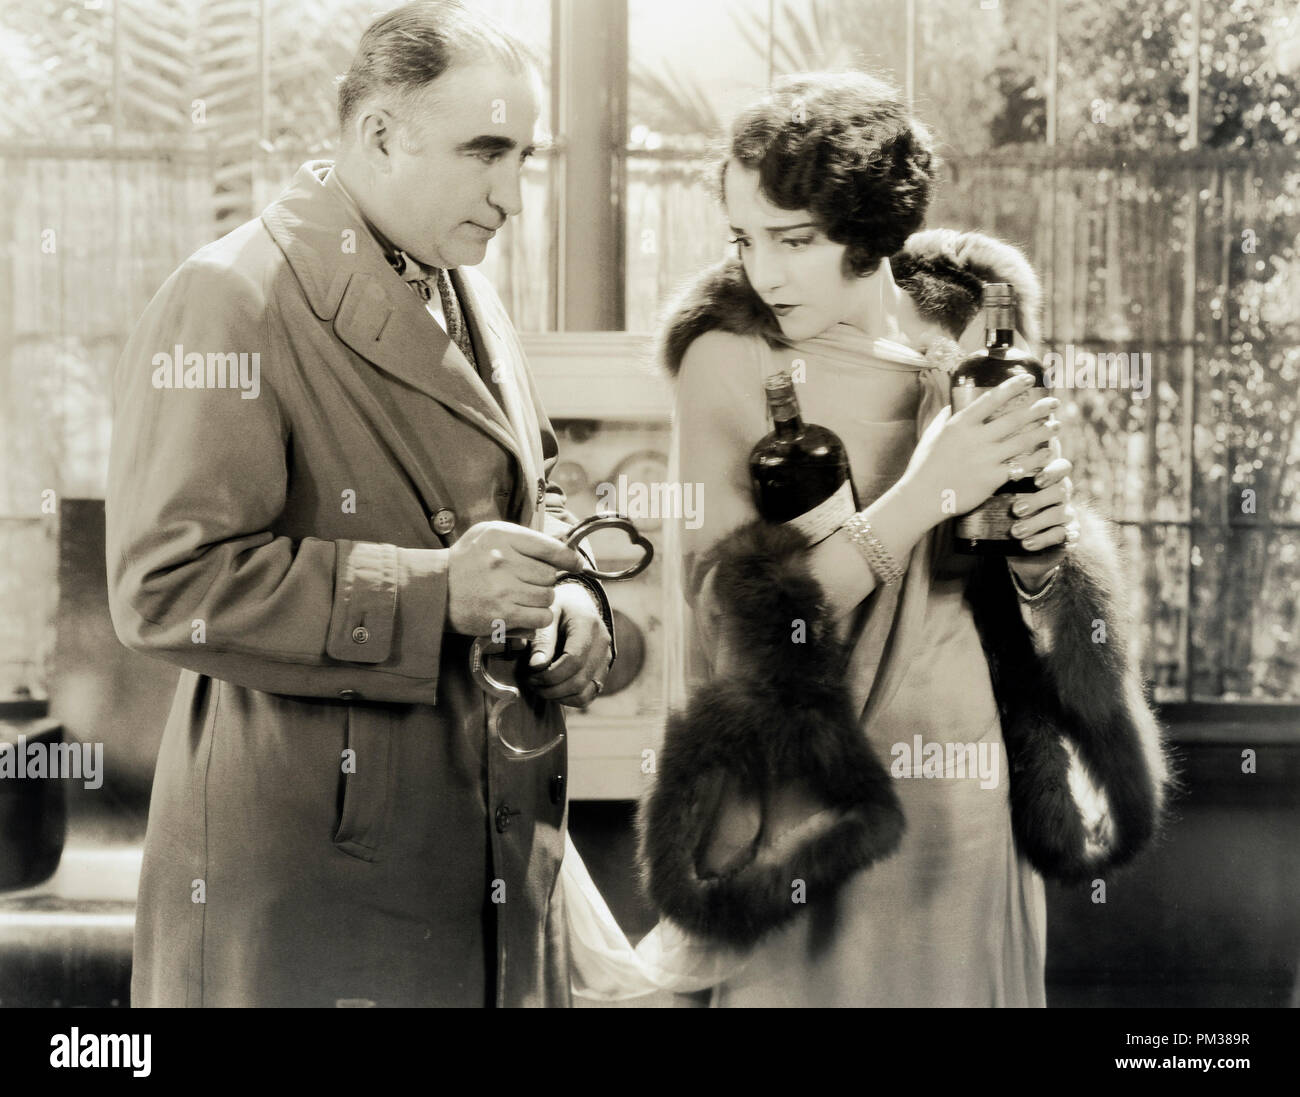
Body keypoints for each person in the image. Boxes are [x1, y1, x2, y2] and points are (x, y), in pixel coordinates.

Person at [105, 0, 613, 1007]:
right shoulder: (230, 296)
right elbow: (164, 586)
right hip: (315, 861)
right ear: (380, 133)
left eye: (526, 157)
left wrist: (568, 595)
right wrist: (437, 595)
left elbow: (533, 480)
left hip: (471, 831)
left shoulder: (462, 285)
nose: (513, 194)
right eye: (486, 151)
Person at [640, 71, 1169, 1006]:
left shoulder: (974, 335)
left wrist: (1046, 558)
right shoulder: (727, 361)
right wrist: (925, 491)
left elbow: (1015, 590)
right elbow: (737, 633)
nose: (764, 272)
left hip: (972, 788)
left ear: (874, 224)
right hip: (816, 809)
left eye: (795, 240)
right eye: (745, 238)